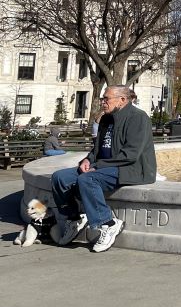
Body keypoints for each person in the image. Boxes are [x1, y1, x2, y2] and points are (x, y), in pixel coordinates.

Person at [50, 85, 157, 253]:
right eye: (103, 99)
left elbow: (131, 154)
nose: (103, 102)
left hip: (131, 169)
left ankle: (109, 223)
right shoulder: (106, 119)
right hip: (103, 166)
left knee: (88, 179)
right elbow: (97, 149)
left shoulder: (138, 118)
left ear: (122, 100)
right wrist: (87, 160)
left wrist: (97, 166)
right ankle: (74, 218)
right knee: (60, 178)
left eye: (106, 99)